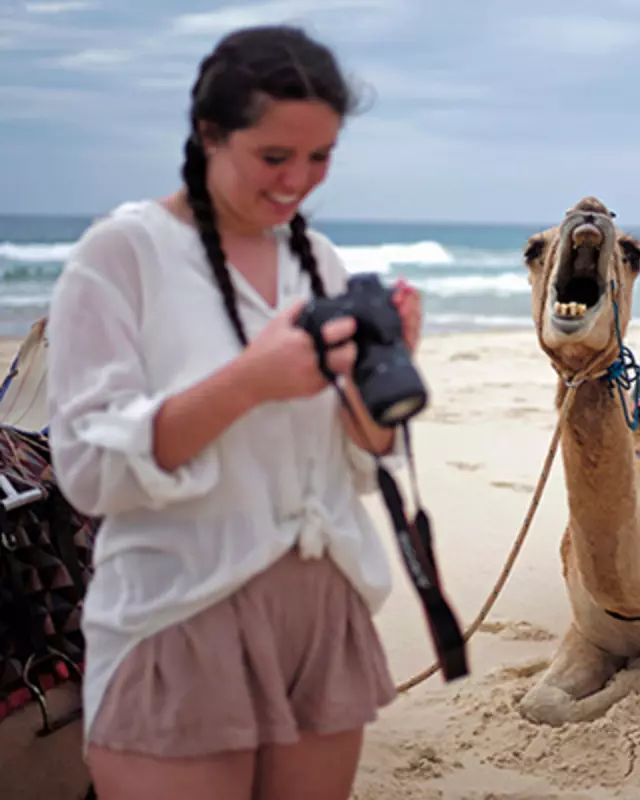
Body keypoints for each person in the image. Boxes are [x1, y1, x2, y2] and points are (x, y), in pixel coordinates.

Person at [45, 25, 421, 800]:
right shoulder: (121, 255)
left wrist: (386, 372)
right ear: (209, 134)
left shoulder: (318, 262)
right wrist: (248, 382)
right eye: (275, 157)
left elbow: (359, 454)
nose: (299, 182)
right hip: (180, 614)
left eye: (319, 158)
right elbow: (87, 471)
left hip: (323, 610)